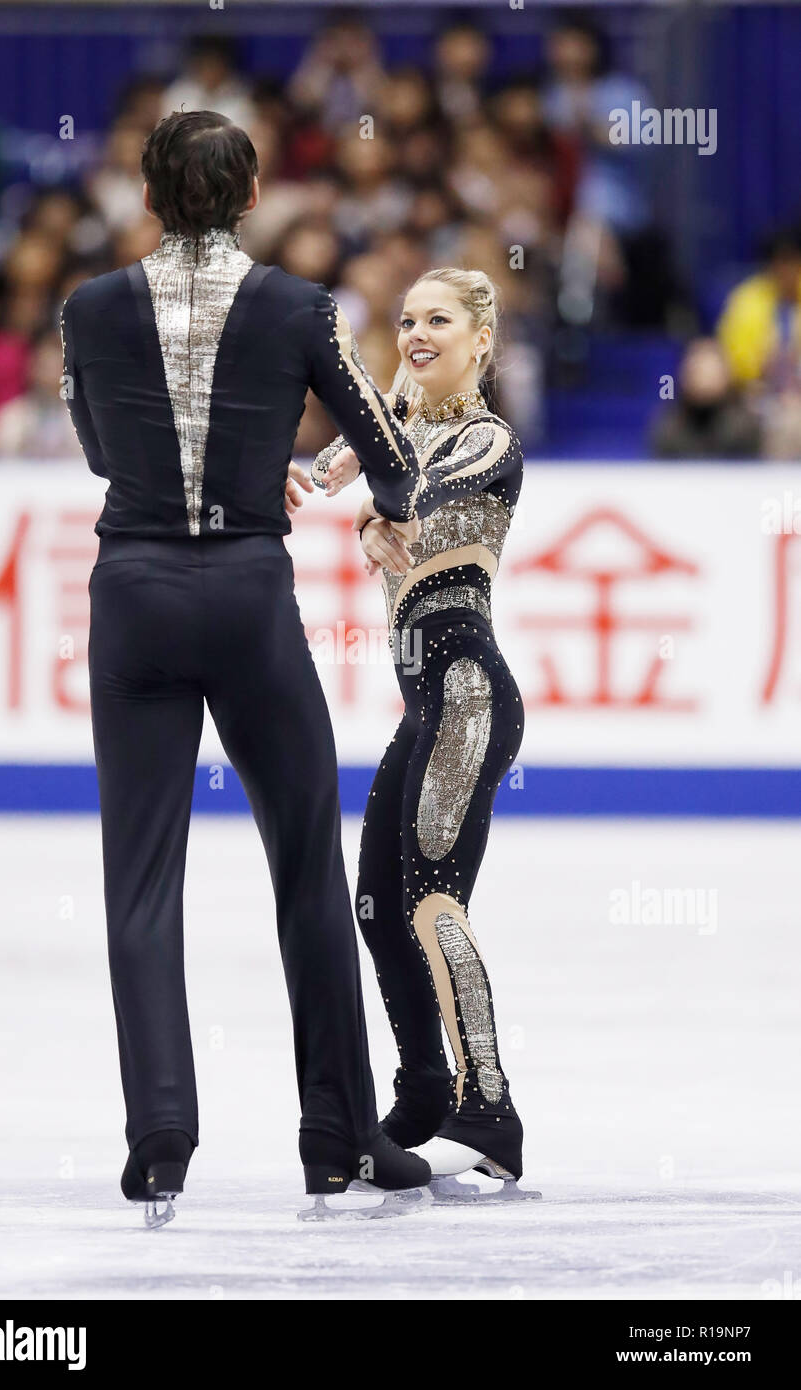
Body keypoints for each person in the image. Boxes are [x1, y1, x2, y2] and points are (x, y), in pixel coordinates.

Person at [60, 110, 431, 1222]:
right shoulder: (298, 305)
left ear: (146, 192)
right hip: (245, 594)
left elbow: (93, 447)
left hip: (132, 594)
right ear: (254, 188)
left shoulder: (87, 307)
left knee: (139, 880)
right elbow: (388, 450)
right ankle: (338, 1136)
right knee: (306, 865)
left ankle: (161, 1135)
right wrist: (380, 518)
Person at [311, 268, 537, 1197]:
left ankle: (491, 1110)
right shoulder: (398, 433)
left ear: (481, 340)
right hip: (428, 705)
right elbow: (331, 464)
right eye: (404, 319)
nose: (415, 332)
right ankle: (422, 1091)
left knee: (433, 899)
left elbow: (416, 486)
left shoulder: (488, 440)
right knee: (375, 900)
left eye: (438, 319)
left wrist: (374, 506)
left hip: (470, 693)